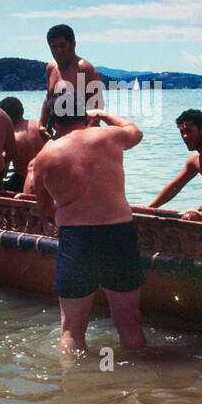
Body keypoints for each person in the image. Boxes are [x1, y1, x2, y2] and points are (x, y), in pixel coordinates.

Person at [27, 91, 146, 353]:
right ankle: (140, 384)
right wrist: (103, 114)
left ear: (54, 123)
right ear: (84, 114)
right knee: (129, 324)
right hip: (118, 234)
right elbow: (135, 132)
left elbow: (44, 207)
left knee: (71, 329)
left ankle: (73, 388)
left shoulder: (45, 156)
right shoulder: (109, 136)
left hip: (77, 240)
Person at [39, 24, 104, 133]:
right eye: (54, 47)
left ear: (73, 44)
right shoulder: (51, 67)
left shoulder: (83, 68)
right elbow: (48, 98)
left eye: (62, 45)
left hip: (83, 133)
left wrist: (87, 137)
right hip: (59, 133)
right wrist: (42, 125)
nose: (58, 51)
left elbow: (97, 105)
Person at [0, 97, 46, 193]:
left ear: (4, 116)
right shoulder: (39, 126)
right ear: (22, 111)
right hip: (45, 177)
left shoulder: (11, 136)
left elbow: (5, 165)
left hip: (23, 180)